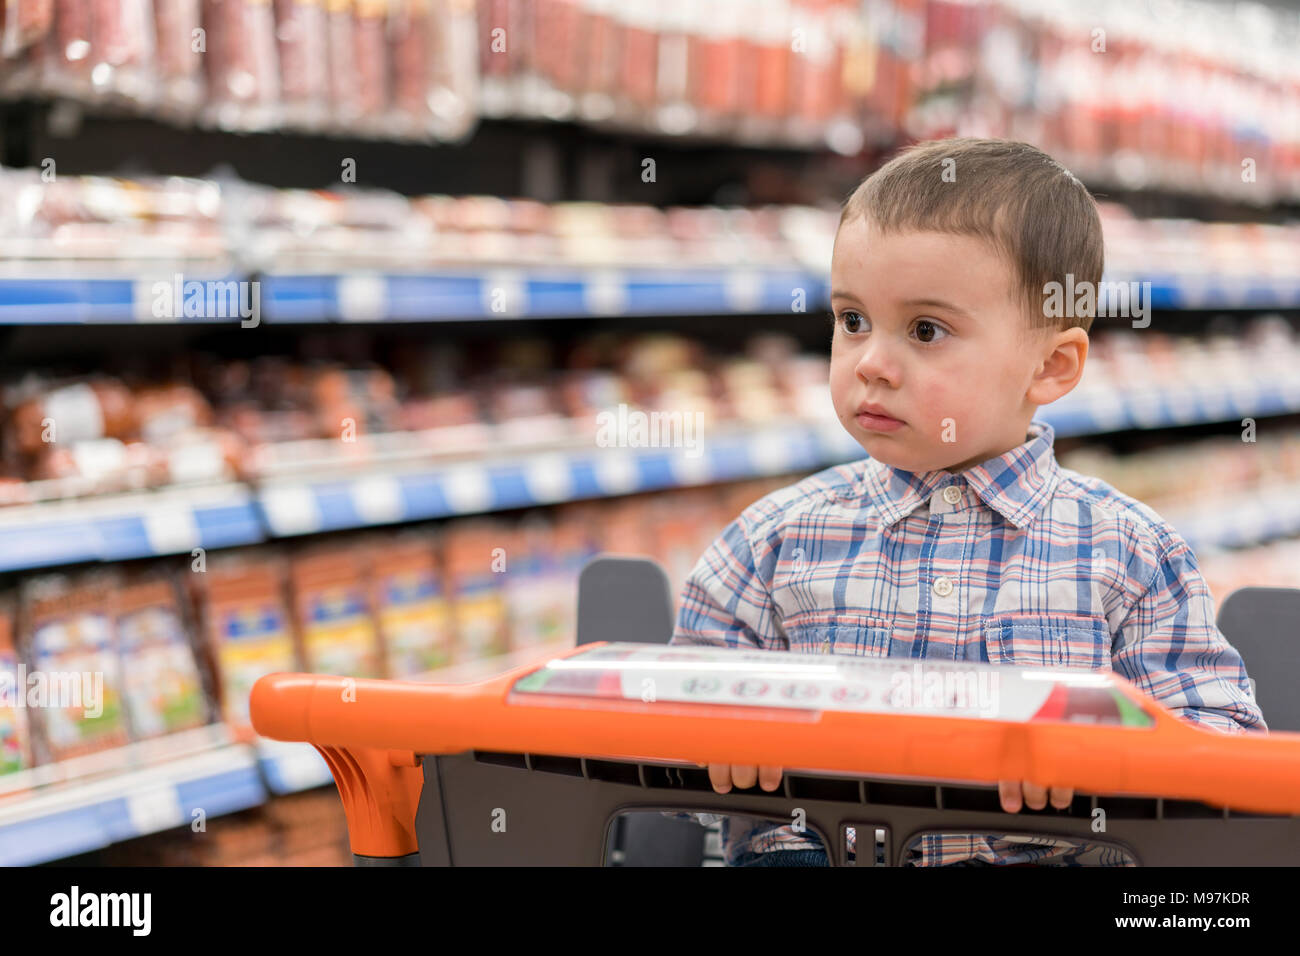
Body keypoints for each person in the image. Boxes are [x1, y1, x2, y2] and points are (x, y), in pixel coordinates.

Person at [669, 138, 1266, 867]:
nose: (872, 365)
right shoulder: (774, 539)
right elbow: (667, 719)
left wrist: (1100, 761)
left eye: (926, 330)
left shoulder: (1127, 553)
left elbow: (1220, 743)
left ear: (1050, 366)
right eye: (852, 319)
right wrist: (722, 732)